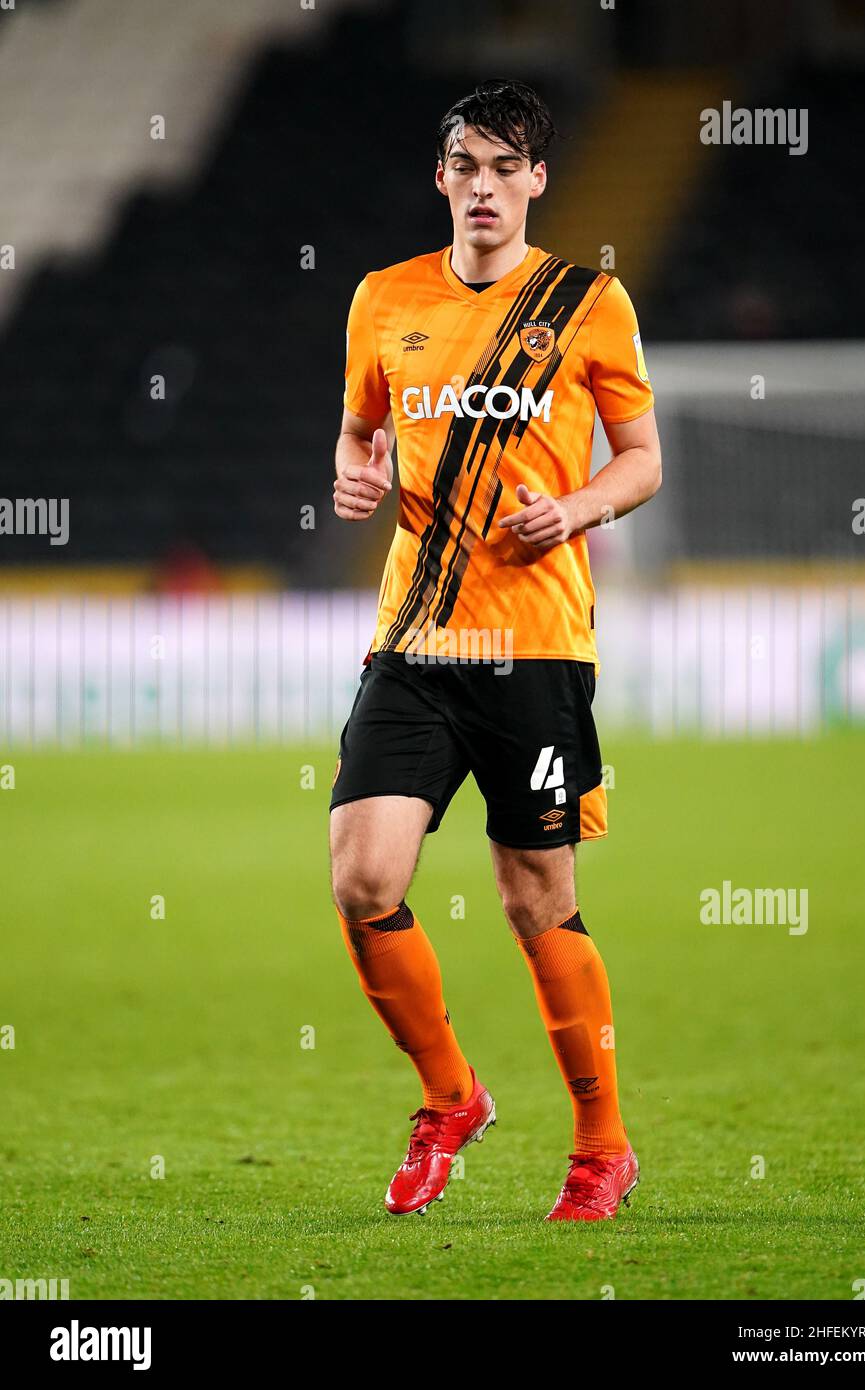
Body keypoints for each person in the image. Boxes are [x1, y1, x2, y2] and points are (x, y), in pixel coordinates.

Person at [330, 79, 661, 1221]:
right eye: (462, 165)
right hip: (413, 641)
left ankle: (600, 1146)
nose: (481, 185)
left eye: (502, 166)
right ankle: (449, 1097)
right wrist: (354, 470)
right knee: (362, 878)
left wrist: (574, 511)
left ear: (535, 180)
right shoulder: (382, 298)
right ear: (441, 179)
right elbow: (361, 426)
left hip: (534, 650)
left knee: (535, 902)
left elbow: (640, 460)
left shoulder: (585, 300)